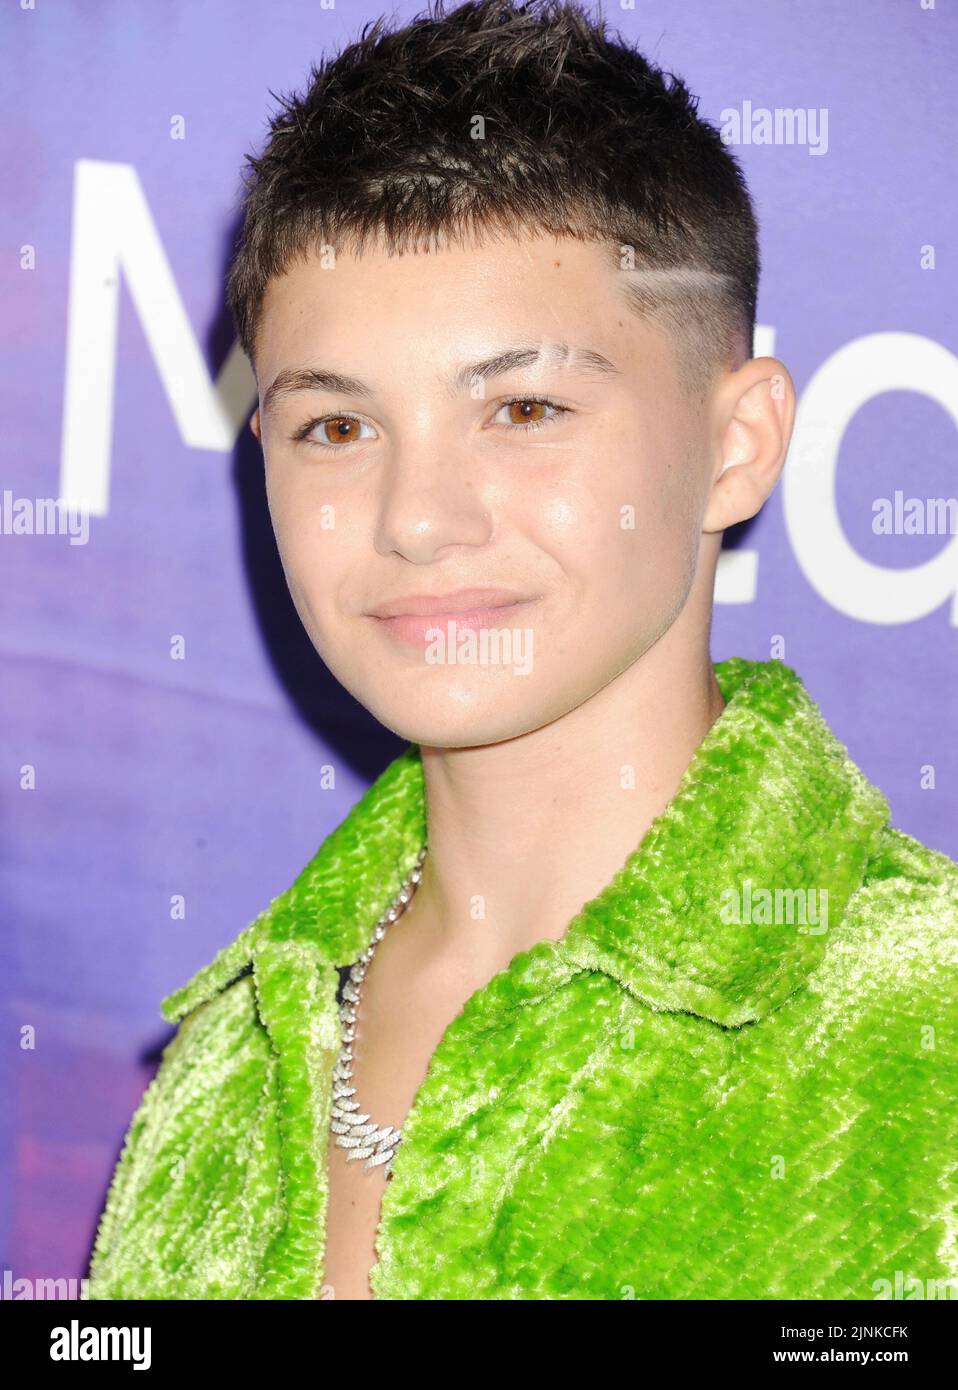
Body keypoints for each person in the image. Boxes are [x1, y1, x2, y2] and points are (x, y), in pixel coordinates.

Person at [87, 0, 958, 1301]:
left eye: (523, 407)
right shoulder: (228, 1058)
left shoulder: (919, 1032)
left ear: (735, 445)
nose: (418, 518)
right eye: (335, 427)